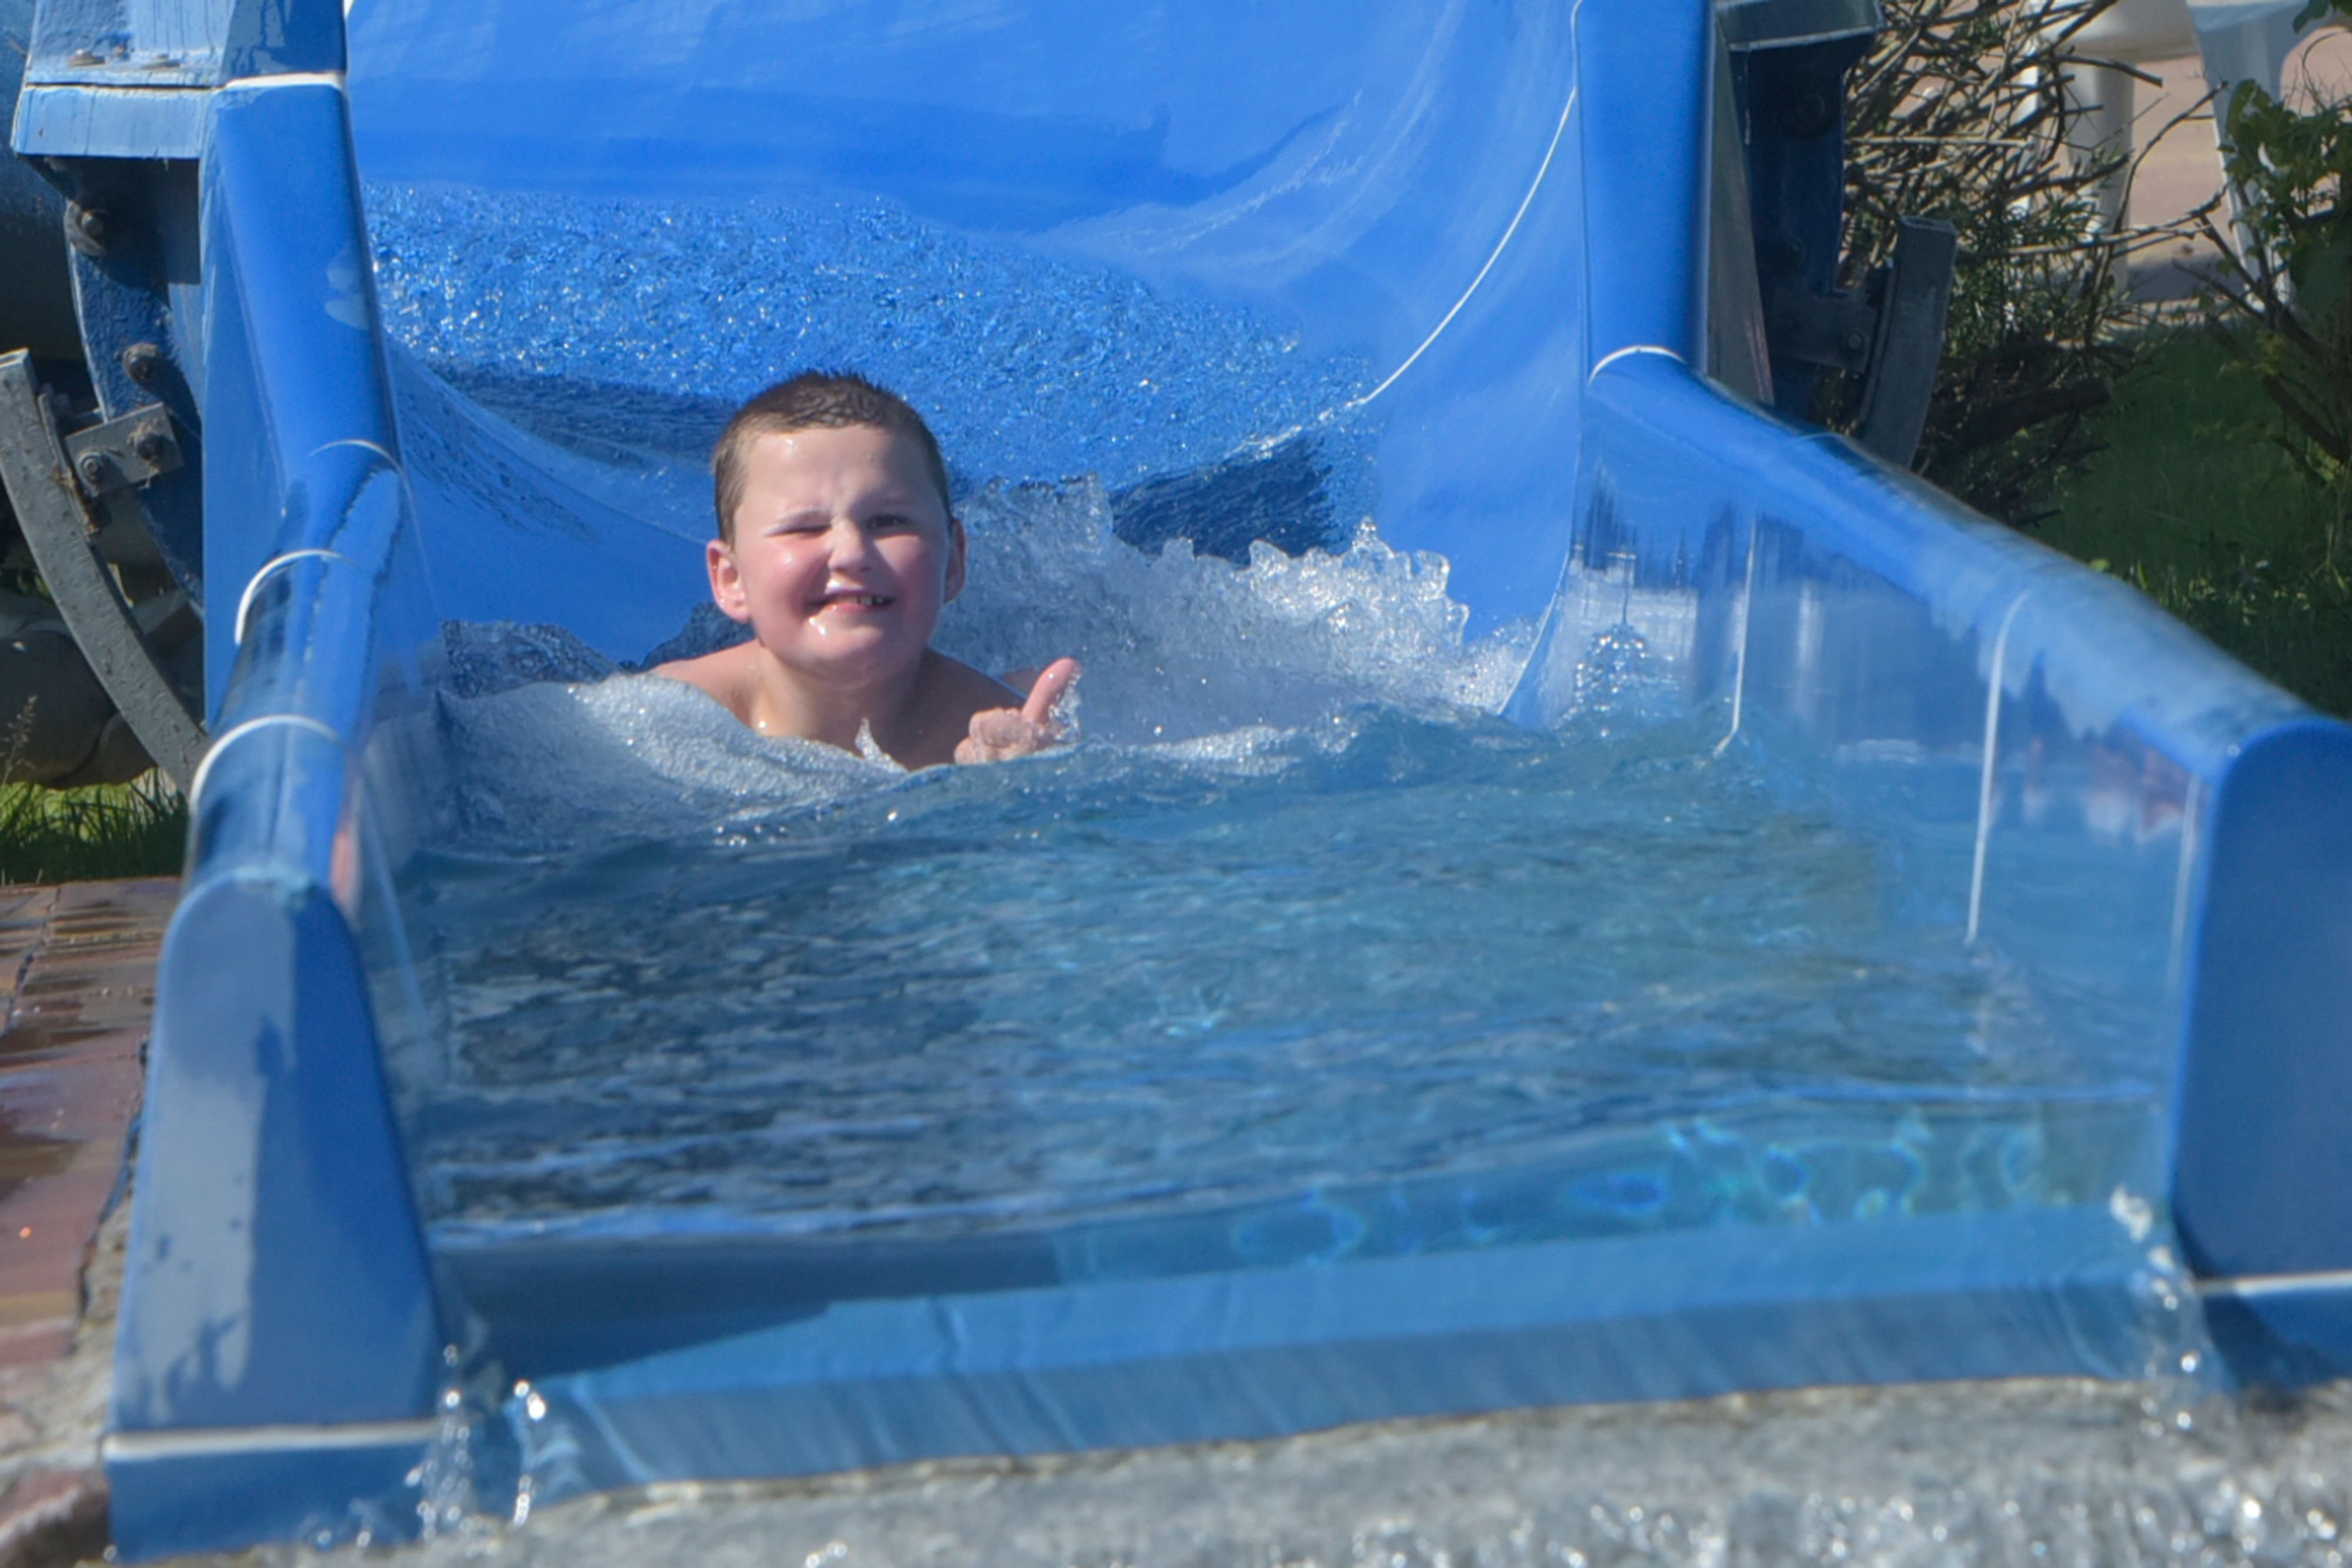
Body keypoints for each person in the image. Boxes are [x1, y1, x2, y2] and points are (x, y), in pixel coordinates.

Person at [656, 372, 1078, 768]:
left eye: (888, 522)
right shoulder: (661, 723)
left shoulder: (1001, 741)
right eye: (806, 527)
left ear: (953, 561)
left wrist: (1029, 791)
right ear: (731, 579)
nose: (851, 552)